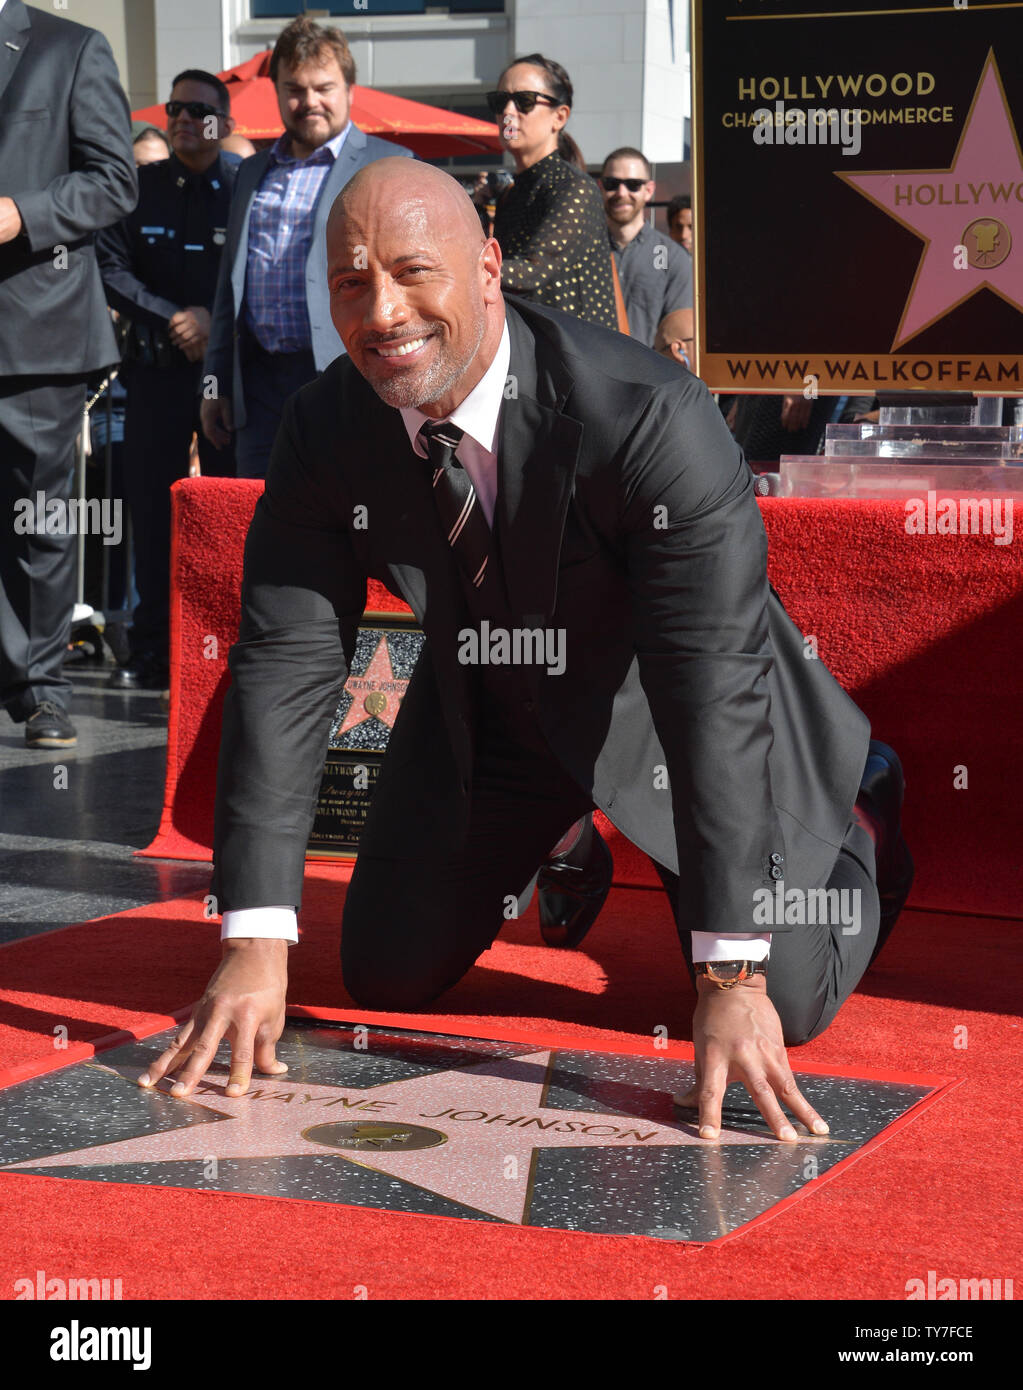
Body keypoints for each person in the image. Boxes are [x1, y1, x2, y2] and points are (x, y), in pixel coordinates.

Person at [140, 161, 914, 1151]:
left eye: (416, 272)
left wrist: (730, 973)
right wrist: (252, 934)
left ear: (491, 267)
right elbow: (287, 664)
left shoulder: (647, 411)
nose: (383, 313)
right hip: (492, 714)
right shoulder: (325, 427)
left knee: (790, 1000)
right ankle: (566, 838)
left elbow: (710, 680)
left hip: (665, 715)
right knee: (385, 969)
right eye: (350, 283)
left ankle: (865, 807)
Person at [0, 0, 137, 748]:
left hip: (37, 332)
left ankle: (40, 689)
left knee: (38, 520)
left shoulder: (72, 47)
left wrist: (22, 212)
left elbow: (116, 181)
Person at [201, 15, 413, 479]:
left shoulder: (391, 165)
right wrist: (214, 384)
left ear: (350, 90)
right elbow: (227, 290)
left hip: (348, 376)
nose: (309, 101)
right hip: (257, 387)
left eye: (324, 87)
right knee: (262, 523)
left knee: (352, 520)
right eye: (295, 88)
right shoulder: (251, 175)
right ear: (276, 92)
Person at [97, 70, 239, 692]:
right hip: (154, 372)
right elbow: (109, 266)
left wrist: (214, 322)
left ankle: (225, 644)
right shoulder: (137, 186)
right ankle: (152, 648)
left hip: (224, 374)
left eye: (199, 110)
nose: (184, 119)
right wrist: (174, 317)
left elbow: (259, 268)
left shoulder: (244, 187)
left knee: (229, 506)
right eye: (176, 108)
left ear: (224, 125)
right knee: (152, 513)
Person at [489, 54, 617, 330]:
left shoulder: (575, 188)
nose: (508, 112)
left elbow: (533, 270)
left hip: (580, 361)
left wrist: (456, 267)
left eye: (524, 101)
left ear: (559, 117)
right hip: (530, 352)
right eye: (500, 102)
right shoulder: (511, 194)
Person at [601, 146, 693, 349]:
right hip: (588, 376)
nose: (621, 192)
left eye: (633, 185)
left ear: (649, 190)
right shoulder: (581, 251)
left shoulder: (674, 258)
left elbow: (678, 336)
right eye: (612, 184)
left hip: (649, 377)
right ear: (601, 186)